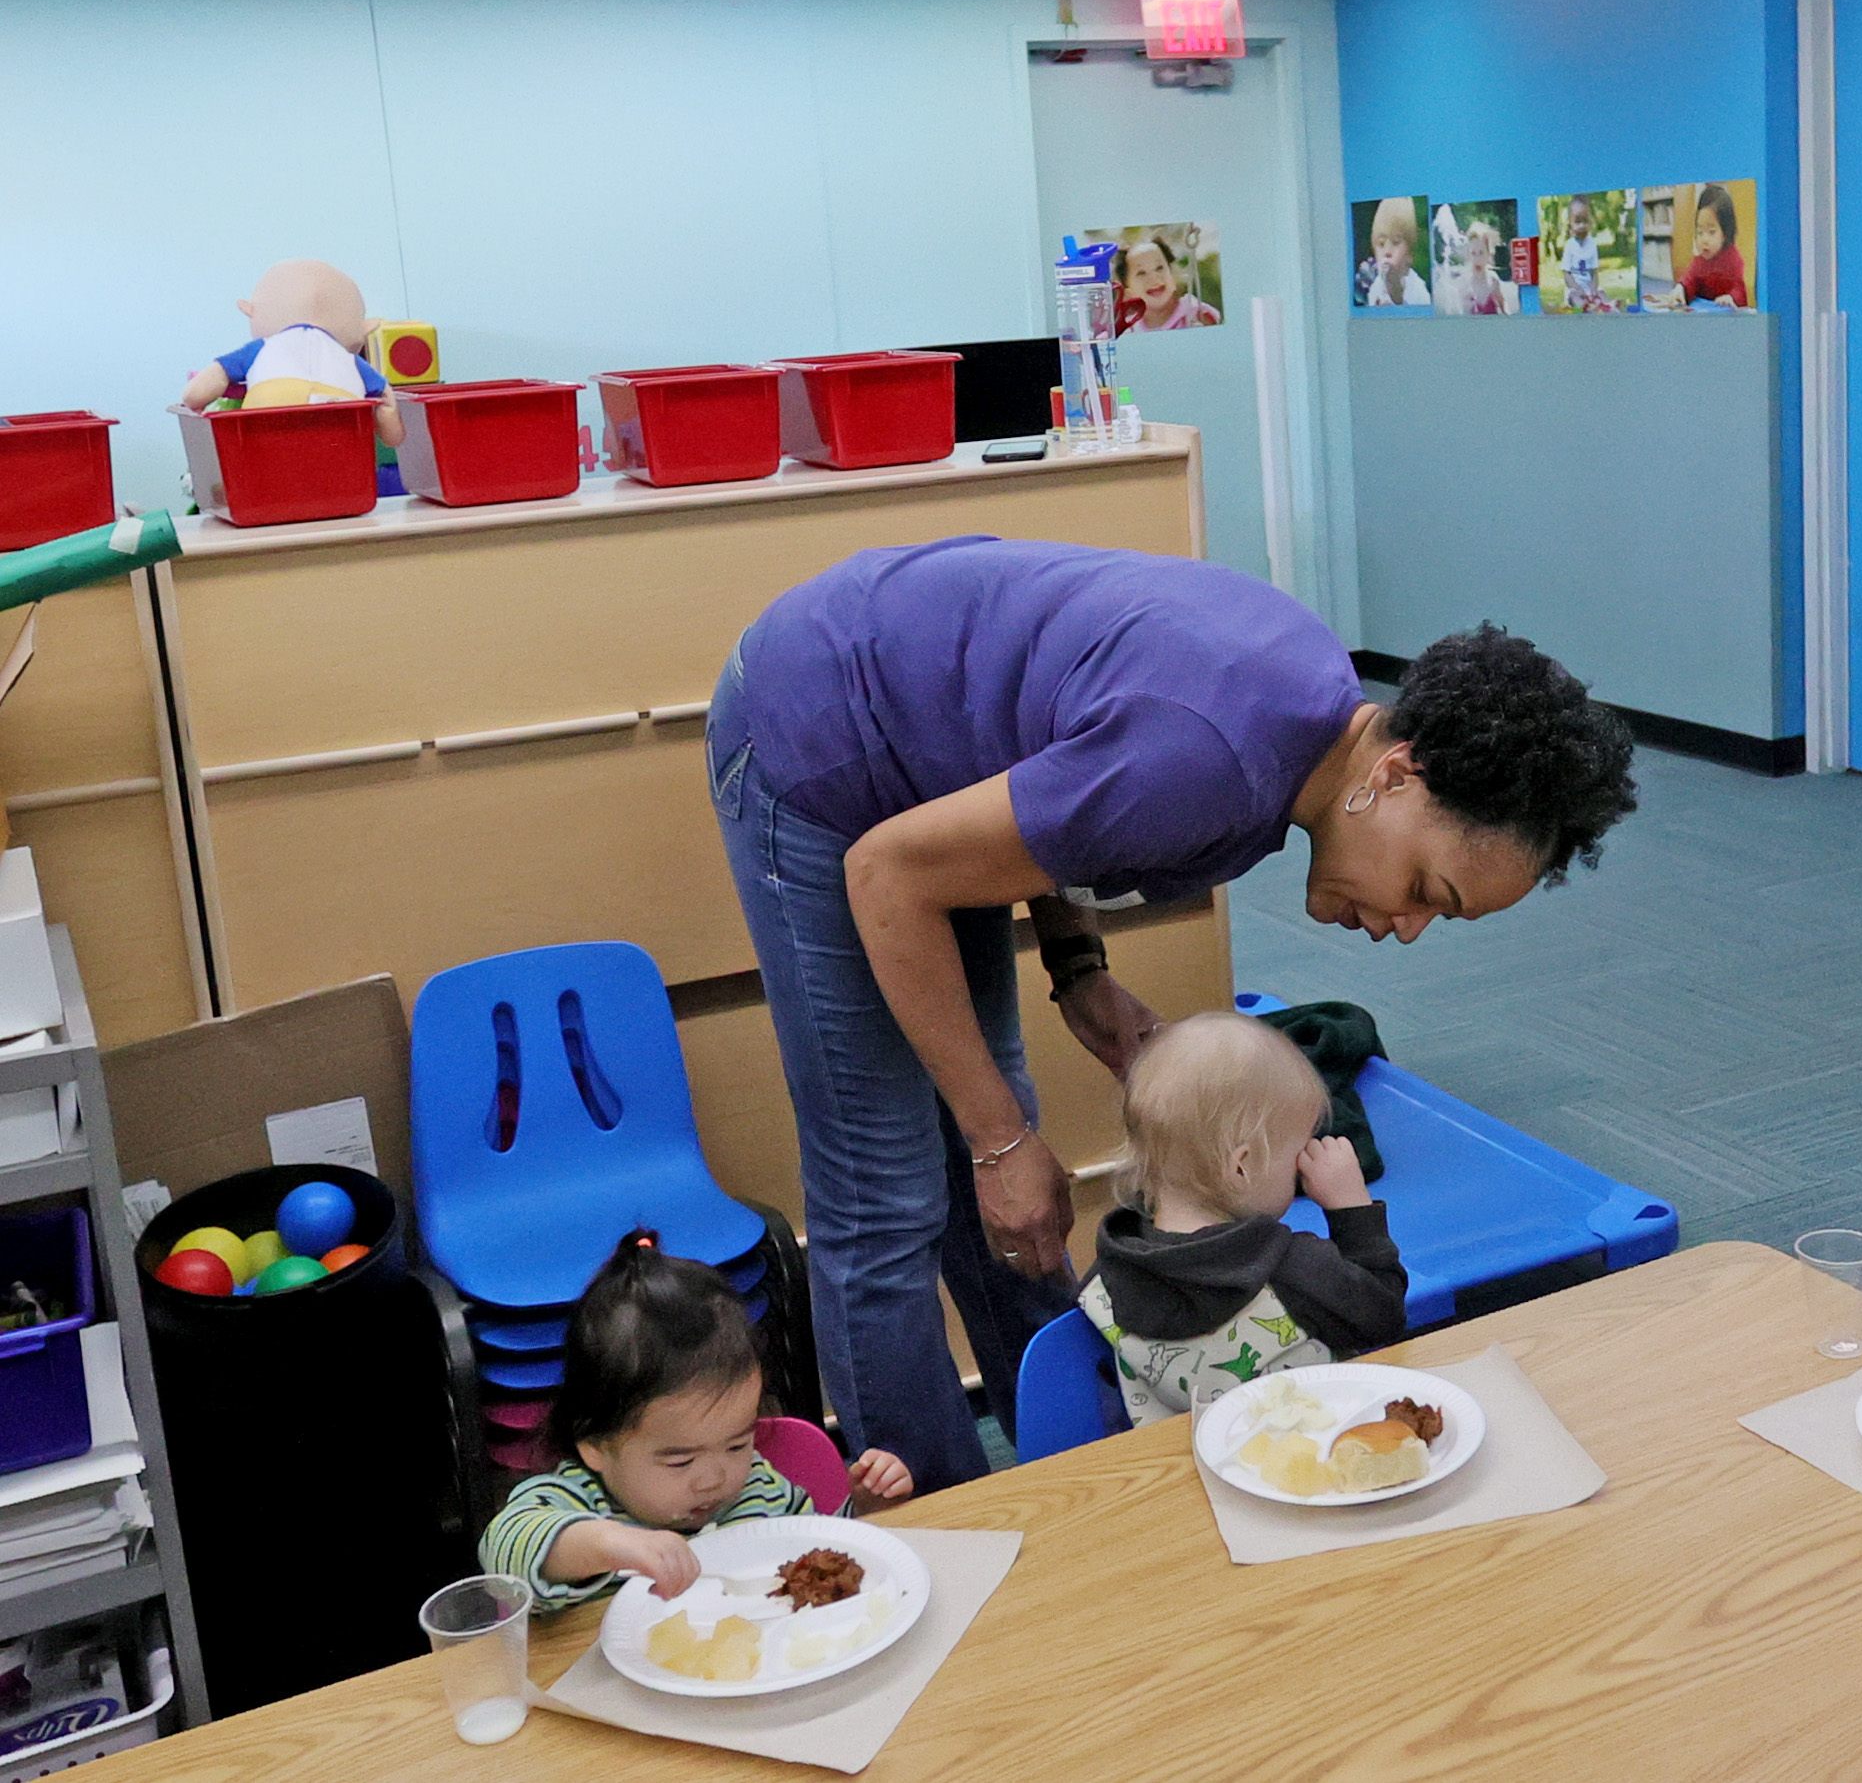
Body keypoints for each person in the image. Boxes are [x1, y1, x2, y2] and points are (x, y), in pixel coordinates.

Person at [708, 545, 1635, 1490]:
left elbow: (1047, 766)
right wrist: (997, 1140)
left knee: (994, 1136)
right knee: (888, 1190)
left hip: (921, 766)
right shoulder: (1209, 762)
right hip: (817, 737)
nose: (1407, 928)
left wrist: (1078, 970)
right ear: (1395, 774)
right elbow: (890, 873)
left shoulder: (1307, 727)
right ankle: (934, 1527)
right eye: (1424, 889)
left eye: (1441, 915)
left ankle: (1066, 1477)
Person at [478, 1233, 914, 1609]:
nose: (713, 1479)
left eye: (737, 1445)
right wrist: (609, 1544)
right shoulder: (575, 1500)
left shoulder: (759, 1490)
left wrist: (865, 1511)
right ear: (595, 1442)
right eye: (680, 1462)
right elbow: (504, 1547)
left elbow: (810, 1556)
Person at [1083, 1011, 1408, 1425]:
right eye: (1299, 1148)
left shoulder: (1108, 1273)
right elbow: (1384, 1318)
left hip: (1185, 1476)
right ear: (1242, 1168)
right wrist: (1351, 1210)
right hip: (1301, 1473)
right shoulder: (1290, 1268)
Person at [1119, 232, 1221, 332]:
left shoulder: (1195, 314)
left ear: (1172, 275)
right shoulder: (1130, 328)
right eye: (1141, 273)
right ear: (1128, 290)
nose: (1154, 278)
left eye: (1159, 268)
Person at [1675, 183, 1750, 310]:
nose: (1704, 240)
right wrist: (1680, 288)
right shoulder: (1699, 261)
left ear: (1725, 234)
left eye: (1711, 232)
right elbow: (1690, 278)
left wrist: (1731, 298)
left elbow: (1739, 289)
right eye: (1700, 232)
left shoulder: (1733, 259)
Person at [1365, 198, 1430, 306]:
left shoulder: (1417, 289)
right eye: (1381, 244)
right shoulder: (1375, 288)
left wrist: (1396, 293)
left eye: (1395, 242)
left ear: (1409, 253)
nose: (1387, 252)